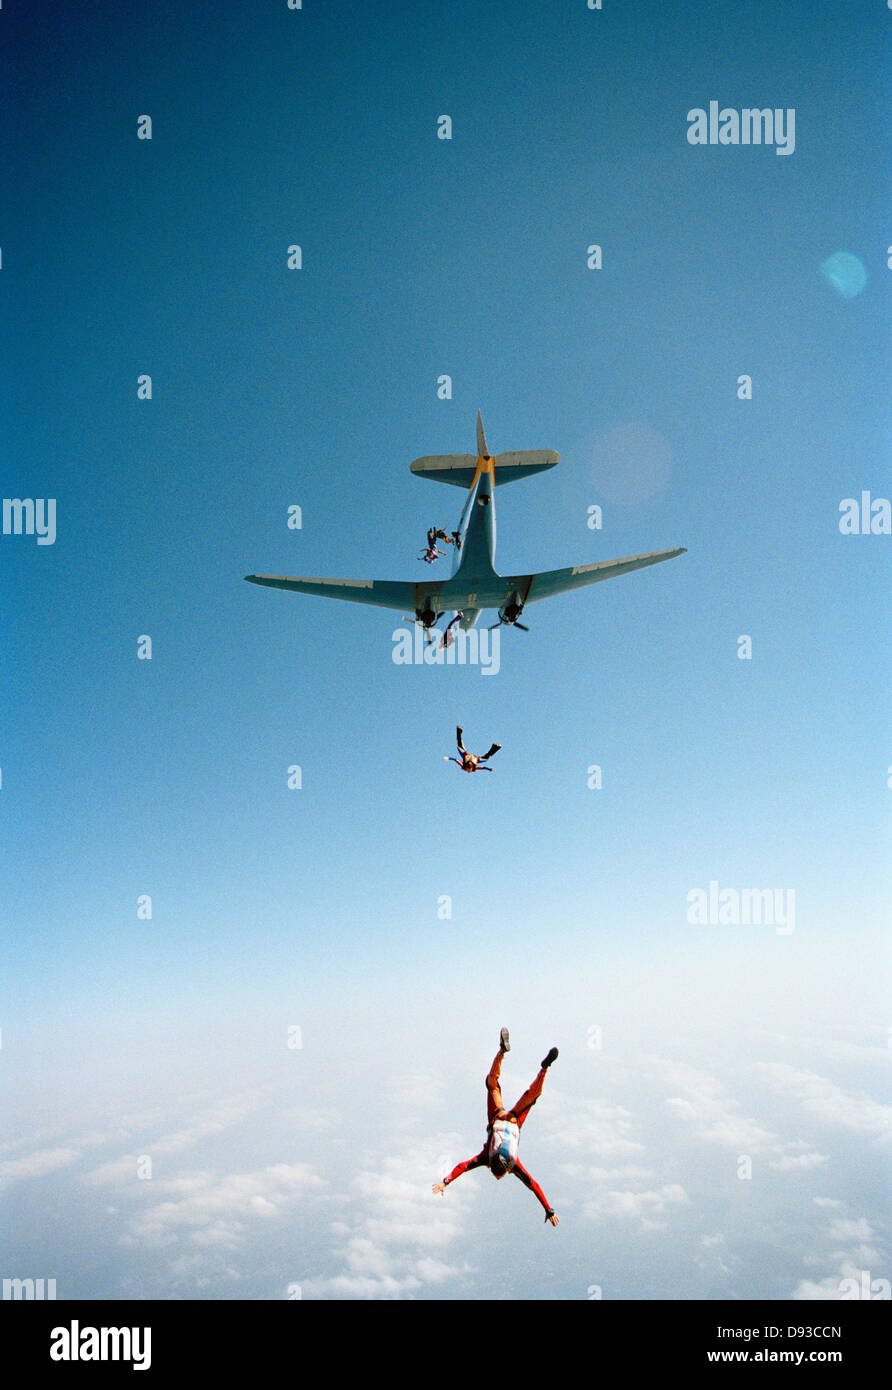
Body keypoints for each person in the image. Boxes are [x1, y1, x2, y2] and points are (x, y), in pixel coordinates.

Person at [432, 1029, 559, 1224]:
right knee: (492, 1083)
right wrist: (445, 1182)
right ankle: (502, 1052)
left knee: (532, 1095)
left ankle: (543, 1069)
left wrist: (549, 1210)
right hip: (498, 1117)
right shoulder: (487, 1158)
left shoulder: (512, 1164)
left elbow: (533, 1185)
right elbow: (463, 1166)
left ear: (505, 1170)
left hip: (514, 1120)